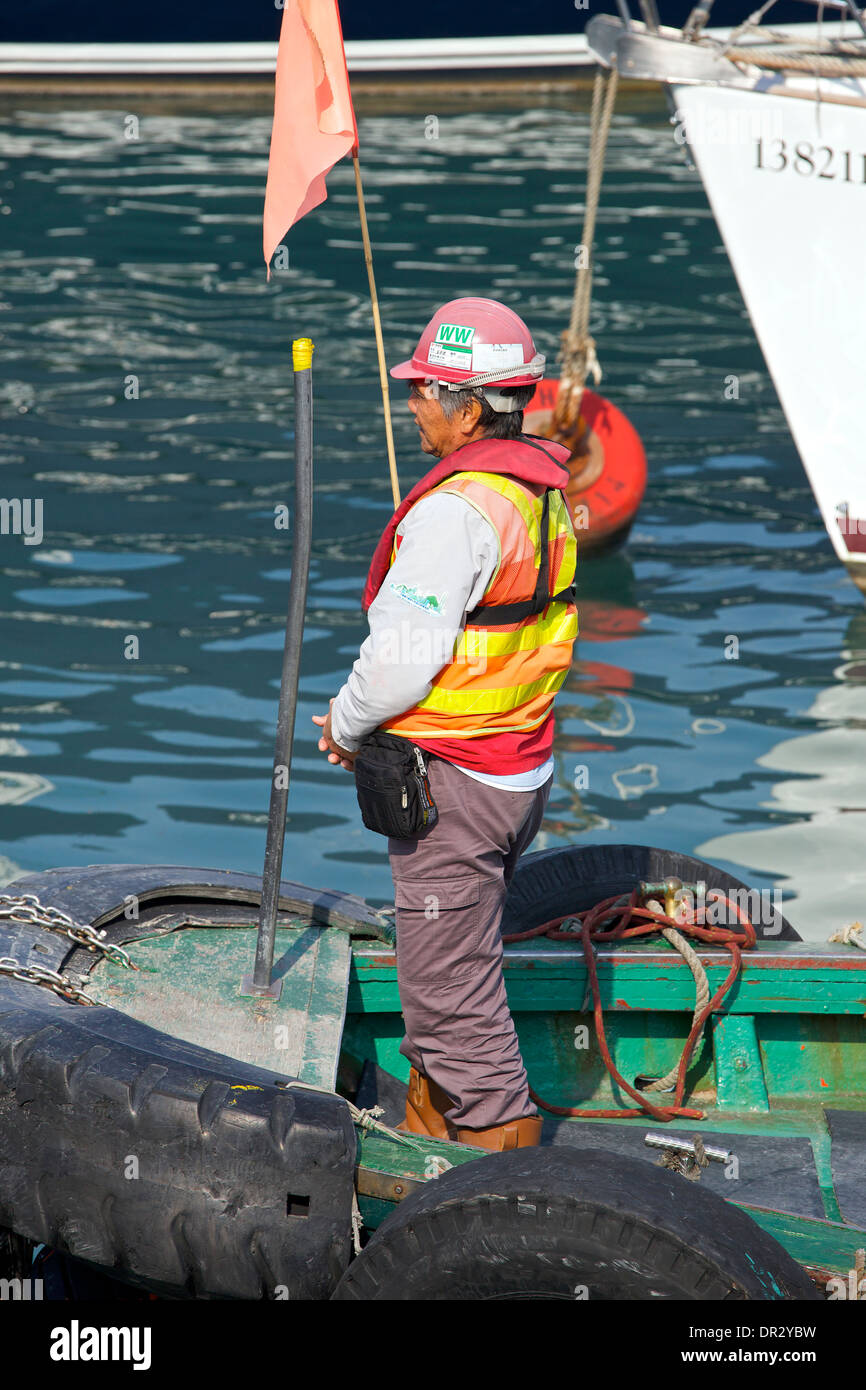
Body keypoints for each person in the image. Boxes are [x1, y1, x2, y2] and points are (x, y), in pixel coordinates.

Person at [313, 296, 577, 1151]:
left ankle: (512, 1203)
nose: (414, 406)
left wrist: (346, 726)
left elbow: (398, 663)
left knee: (455, 1002)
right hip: (520, 772)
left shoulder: (455, 511)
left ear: (467, 407)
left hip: (457, 785)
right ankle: (428, 1138)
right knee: (443, 970)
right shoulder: (539, 491)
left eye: (424, 390)